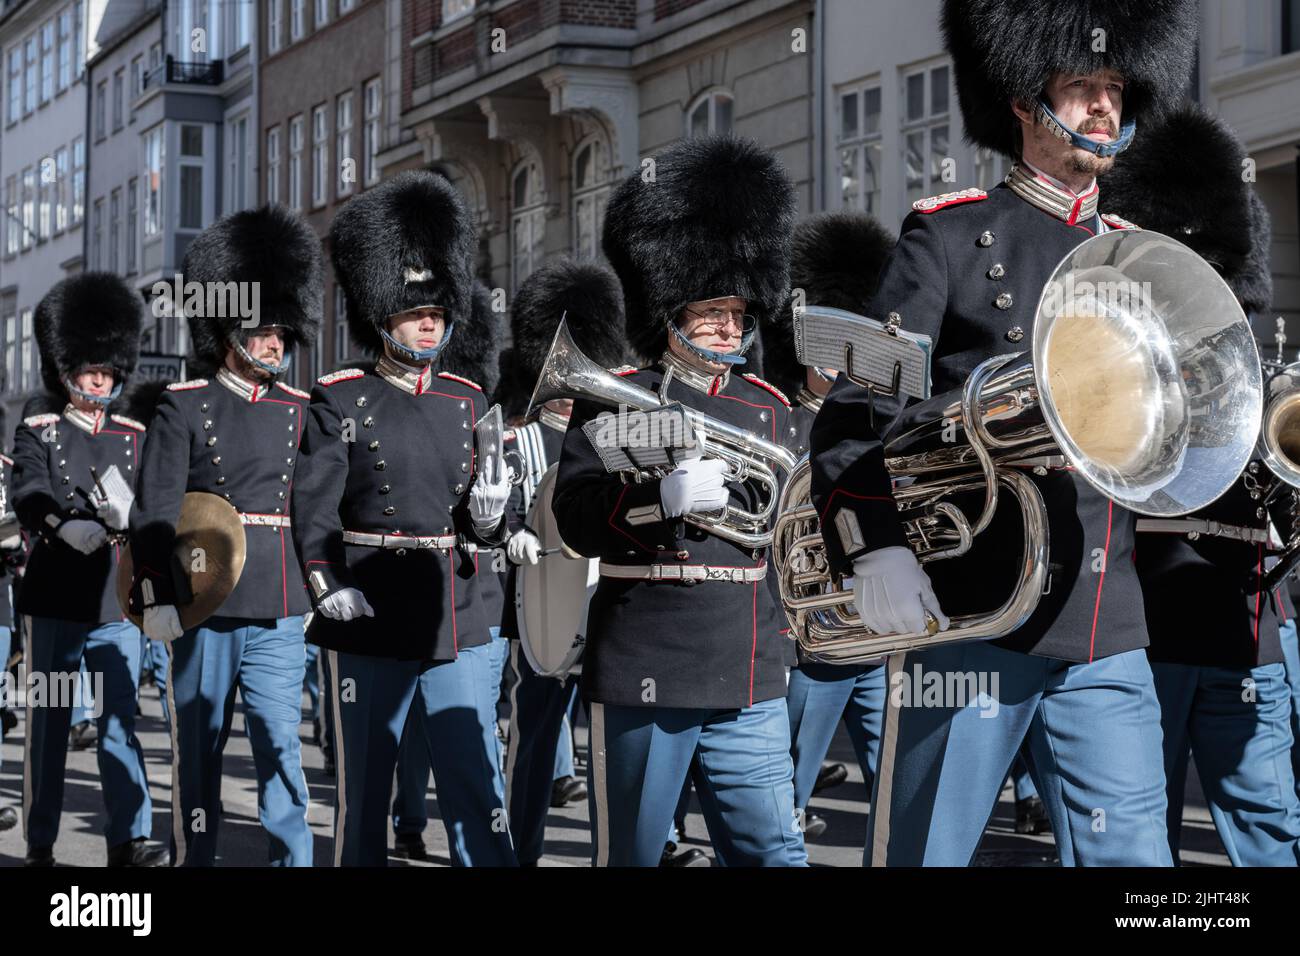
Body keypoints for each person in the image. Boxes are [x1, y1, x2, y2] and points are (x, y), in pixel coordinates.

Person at [810, 0, 1198, 866]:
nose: (1105, 107)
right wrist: (875, 545)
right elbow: (856, 410)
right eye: (1083, 86)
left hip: (1104, 620)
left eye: (1115, 89)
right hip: (978, 612)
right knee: (928, 850)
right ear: (1027, 102)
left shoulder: (1137, 254)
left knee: (1137, 863)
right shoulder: (946, 238)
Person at [553, 135, 807, 867]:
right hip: (646, 661)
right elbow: (575, 517)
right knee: (632, 855)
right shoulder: (618, 398)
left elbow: (787, 528)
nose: (730, 326)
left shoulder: (769, 405)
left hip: (747, 662)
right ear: (670, 310)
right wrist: (658, 498)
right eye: (711, 311)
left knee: (772, 852)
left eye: (738, 311)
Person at [292, 170, 516, 867]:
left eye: (439, 312)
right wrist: (326, 582)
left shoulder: (467, 397)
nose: (430, 322)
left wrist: (490, 520)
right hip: (370, 605)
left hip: (454, 606)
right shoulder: (339, 398)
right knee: (364, 787)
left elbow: (486, 516)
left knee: (476, 782)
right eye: (415, 311)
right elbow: (314, 504)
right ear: (382, 314)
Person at [1106, 103, 1300, 866]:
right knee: (1138, 839)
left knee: (1269, 829)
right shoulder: (1113, 367)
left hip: (1244, 632)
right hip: (1139, 633)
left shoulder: (1261, 375)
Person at [129, 204, 322, 866]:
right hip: (203, 601)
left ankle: (293, 859)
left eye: (281, 333)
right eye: (263, 332)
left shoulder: (303, 409)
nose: (275, 344)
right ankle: (195, 856)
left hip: (280, 604)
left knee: (280, 745)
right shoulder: (185, 405)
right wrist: (157, 597)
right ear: (230, 332)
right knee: (200, 747)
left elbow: (318, 505)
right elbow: (155, 509)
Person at [12, 272, 166, 867]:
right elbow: (27, 488)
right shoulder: (43, 431)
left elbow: (155, 504)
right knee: (49, 728)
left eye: (107, 370)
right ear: (67, 370)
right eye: (88, 370)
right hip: (55, 596)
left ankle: (128, 837)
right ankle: (41, 842)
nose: (98, 380)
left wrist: (132, 516)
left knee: (119, 720)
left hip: (114, 600)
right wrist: (57, 525)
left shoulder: (133, 435)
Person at [762, 211, 895, 841]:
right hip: (813, 636)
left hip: (878, 627)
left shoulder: (880, 427)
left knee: (899, 779)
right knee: (789, 785)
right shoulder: (782, 422)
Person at [496, 257, 632, 866]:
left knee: (614, 748)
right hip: (545, 608)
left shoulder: (619, 426)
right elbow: (486, 502)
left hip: (610, 607)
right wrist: (508, 534)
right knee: (532, 745)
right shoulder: (514, 433)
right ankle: (517, 853)